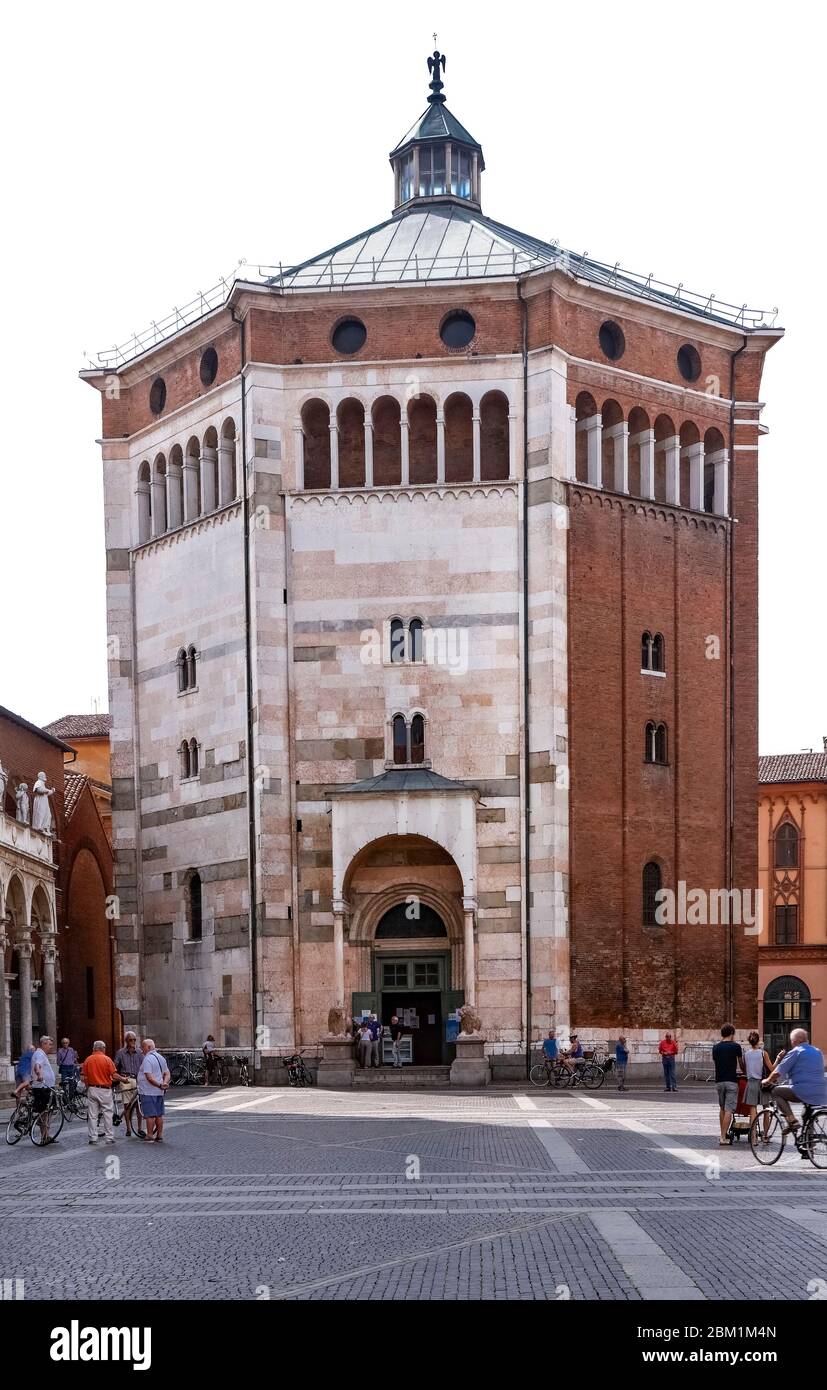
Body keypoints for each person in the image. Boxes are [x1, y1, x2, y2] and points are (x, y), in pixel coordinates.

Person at [762, 1027, 827, 1142]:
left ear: (794, 1041)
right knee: (806, 1114)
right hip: (821, 1091)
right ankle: (808, 1145)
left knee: (776, 1091)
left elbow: (777, 1072)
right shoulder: (817, 1052)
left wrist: (767, 1080)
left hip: (803, 1090)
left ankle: (792, 1121)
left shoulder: (796, 1052)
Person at [82, 1040, 124, 1146]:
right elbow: (114, 1075)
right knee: (107, 1114)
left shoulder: (88, 1060)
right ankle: (109, 1137)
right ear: (103, 1048)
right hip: (105, 1089)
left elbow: (84, 1077)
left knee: (92, 1115)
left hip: (92, 1088)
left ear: (94, 1048)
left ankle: (93, 1138)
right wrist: (123, 1079)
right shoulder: (107, 1059)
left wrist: (88, 1088)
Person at [712, 1023, 745, 1146]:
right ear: (731, 1034)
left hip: (719, 1081)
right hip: (731, 1080)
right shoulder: (736, 1047)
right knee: (729, 1110)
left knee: (722, 1108)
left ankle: (723, 1134)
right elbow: (741, 1064)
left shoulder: (715, 1048)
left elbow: (717, 1062)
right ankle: (722, 1137)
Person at [138, 1038, 170, 1142]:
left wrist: (160, 1085)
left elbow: (149, 1077)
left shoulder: (147, 1059)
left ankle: (150, 1134)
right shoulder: (161, 1057)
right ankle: (159, 1135)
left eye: (142, 1046)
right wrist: (164, 1083)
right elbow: (167, 1073)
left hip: (148, 1091)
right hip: (159, 1092)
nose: (141, 1049)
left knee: (150, 1115)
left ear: (148, 1047)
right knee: (159, 1114)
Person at [113, 1032, 142, 1136]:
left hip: (137, 1079)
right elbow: (114, 1067)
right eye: (131, 1040)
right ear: (126, 1041)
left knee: (139, 1105)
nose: (133, 1042)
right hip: (126, 1079)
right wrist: (119, 1078)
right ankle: (128, 1129)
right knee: (127, 1105)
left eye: (134, 1040)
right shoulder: (120, 1053)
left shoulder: (139, 1052)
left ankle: (139, 1128)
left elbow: (143, 1066)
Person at [743, 1031, 773, 1128]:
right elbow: (771, 1069)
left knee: (752, 1110)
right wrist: (778, 1059)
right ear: (758, 1040)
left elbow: (745, 1069)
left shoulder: (746, 1054)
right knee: (766, 1110)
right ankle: (765, 1136)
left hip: (751, 1083)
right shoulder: (763, 1053)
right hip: (762, 1083)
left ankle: (753, 1137)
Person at [30, 1036, 57, 1143]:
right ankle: (43, 1135)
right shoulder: (39, 1054)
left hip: (46, 1087)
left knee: (48, 1111)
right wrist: (39, 1075)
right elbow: (37, 1066)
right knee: (44, 1111)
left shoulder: (41, 1054)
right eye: (49, 1044)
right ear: (43, 1044)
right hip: (42, 1088)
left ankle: (46, 1136)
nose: (51, 1046)